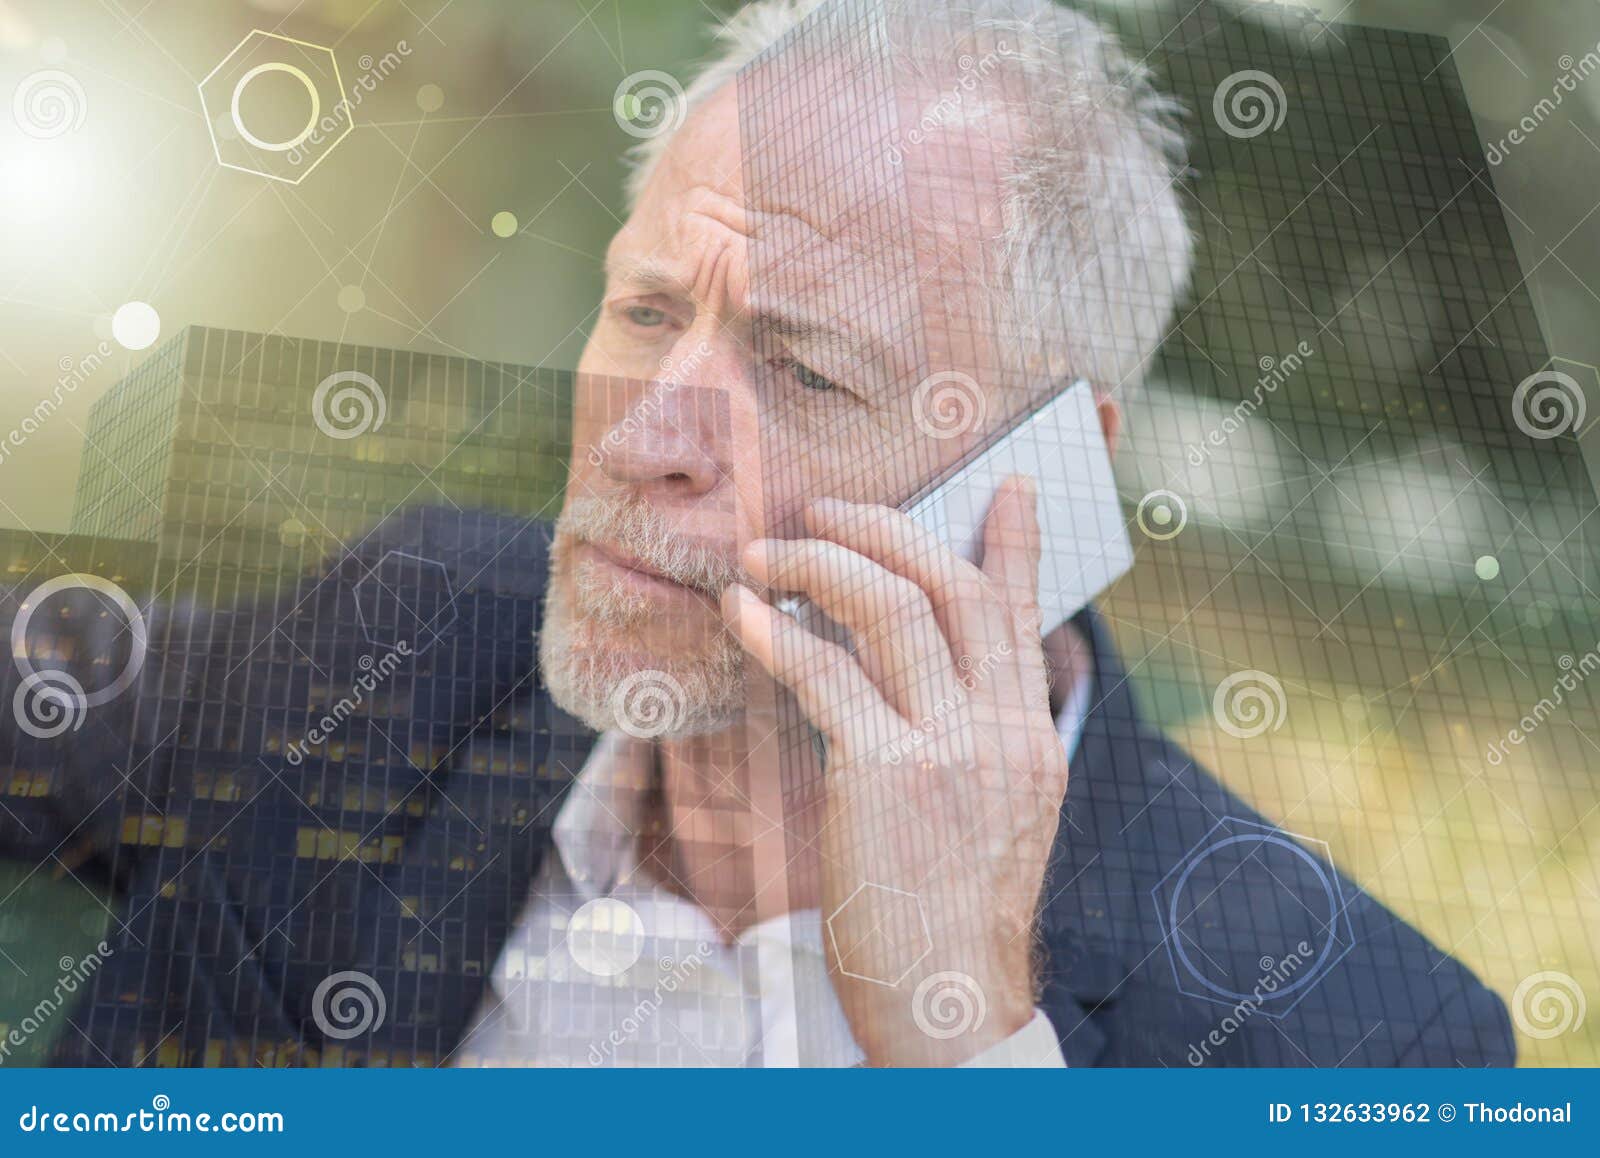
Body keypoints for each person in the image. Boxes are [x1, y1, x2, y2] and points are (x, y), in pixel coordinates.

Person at [13, 0, 1511, 1067]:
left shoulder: (1354, 1030)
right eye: (648, 311)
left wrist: (966, 1038)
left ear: (1046, 476)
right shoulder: (404, 633)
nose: (650, 439)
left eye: (806, 372)